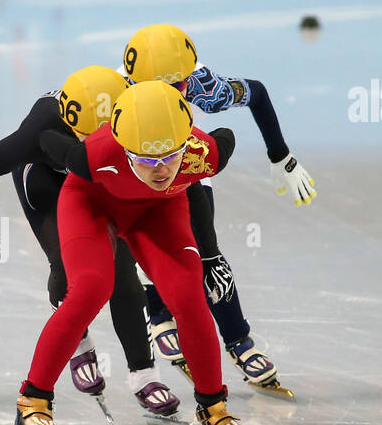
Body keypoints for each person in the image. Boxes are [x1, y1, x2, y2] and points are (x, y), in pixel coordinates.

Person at [8, 80, 261, 425]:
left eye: (170, 159)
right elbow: (45, 139)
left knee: (189, 298)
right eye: (144, 160)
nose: (160, 170)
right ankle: (34, 400)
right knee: (90, 289)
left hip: (158, 212)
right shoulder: (91, 155)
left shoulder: (203, 154)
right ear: (124, 148)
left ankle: (213, 408)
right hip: (91, 202)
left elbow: (225, 136)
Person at [0, 65, 180, 420]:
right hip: (47, 182)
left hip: (97, 183)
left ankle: (145, 374)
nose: (96, 144)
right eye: (86, 137)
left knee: (124, 276)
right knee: (68, 267)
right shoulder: (39, 132)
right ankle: (77, 339)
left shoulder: (133, 116)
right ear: (70, 127)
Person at [120, 24, 315, 397]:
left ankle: (238, 337)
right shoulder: (112, 92)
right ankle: (159, 313)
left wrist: (282, 157)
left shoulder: (197, 81)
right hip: (136, 167)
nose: (172, 95)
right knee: (140, 241)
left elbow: (256, 93)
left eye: (178, 87)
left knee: (205, 251)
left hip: (184, 163)